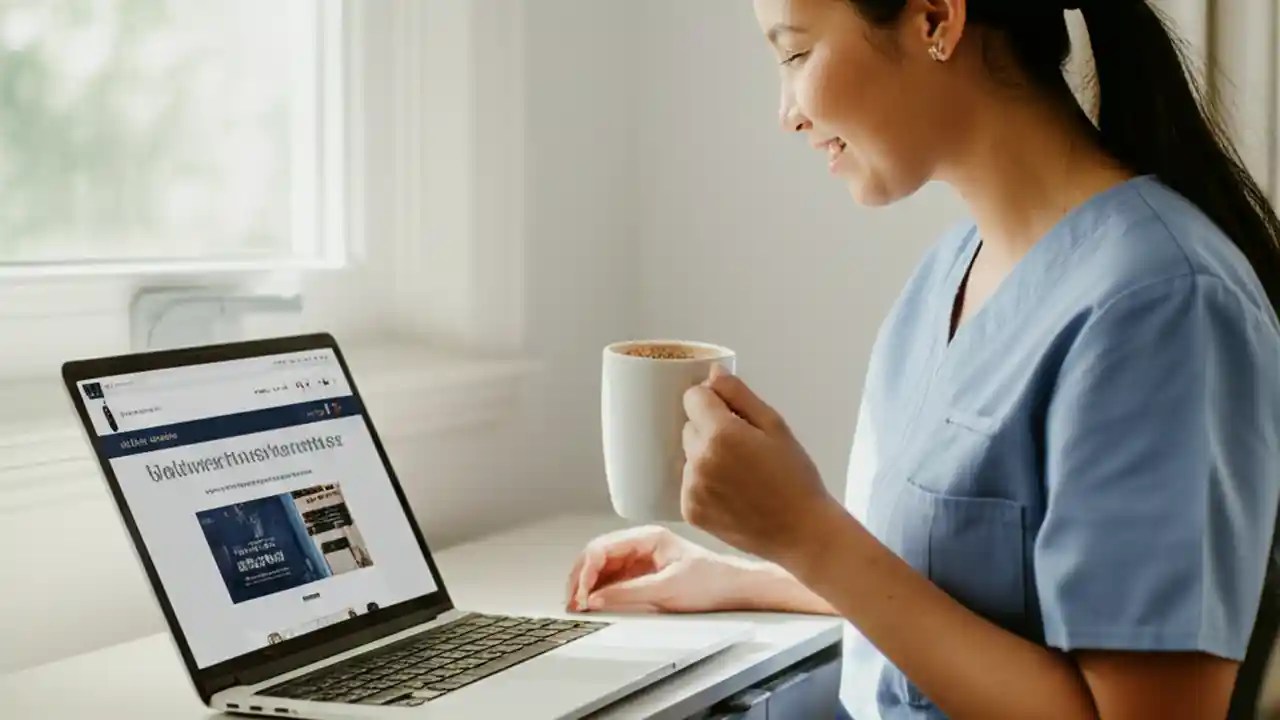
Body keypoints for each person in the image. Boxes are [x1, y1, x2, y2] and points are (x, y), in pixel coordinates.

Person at [565, 1, 1280, 718]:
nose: (787, 113)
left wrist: (806, 532)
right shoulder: (948, 276)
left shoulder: (1162, 306)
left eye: (795, 54)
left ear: (936, 18)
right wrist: (742, 572)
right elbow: (968, 589)